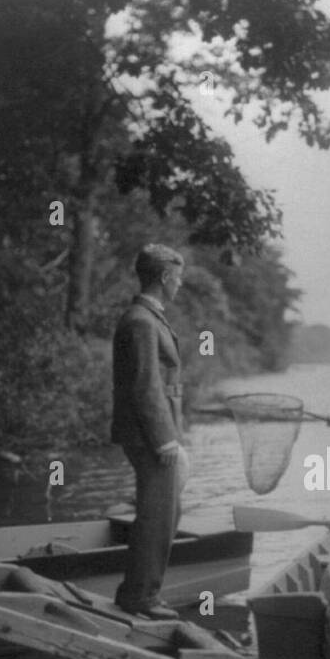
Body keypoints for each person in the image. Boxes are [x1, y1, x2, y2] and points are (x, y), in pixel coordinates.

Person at [111, 243, 190, 619]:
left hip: (154, 428)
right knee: (157, 513)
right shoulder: (141, 320)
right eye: (178, 277)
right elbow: (146, 387)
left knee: (165, 509)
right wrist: (165, 439)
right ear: (164, 277)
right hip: (149, 432)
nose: (180, 285)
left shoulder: (147, 316)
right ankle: (139, 597)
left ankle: (141, 592)